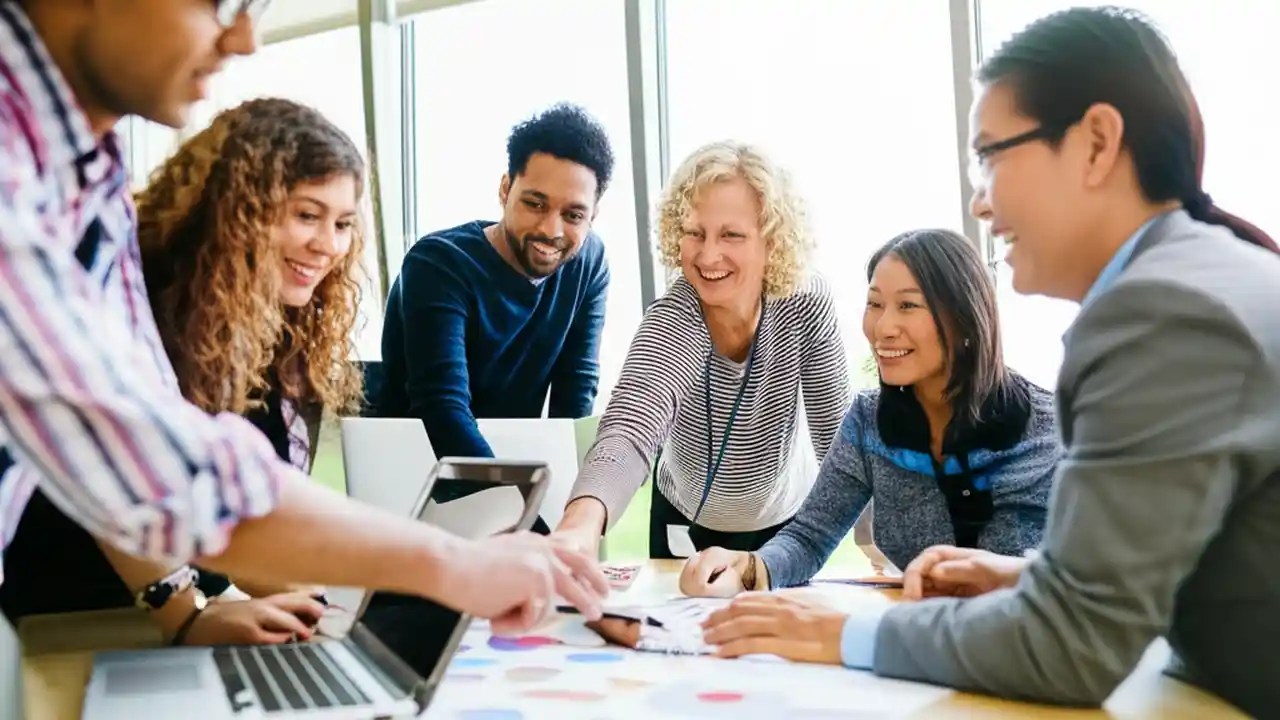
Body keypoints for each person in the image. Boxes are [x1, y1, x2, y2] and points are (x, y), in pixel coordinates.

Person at [698, 7, 1280, 716]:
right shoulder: (1205, 278)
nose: (980, 200)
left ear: (1096, 143)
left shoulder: (1160, 313)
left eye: (992, 156)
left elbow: (1072, 646)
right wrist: (1032, 576)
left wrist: (848, 632)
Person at [0, 0, 605, 637]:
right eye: (220, 4)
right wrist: (448, 564)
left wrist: (344, 600)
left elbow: (158, 455)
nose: (243, 39)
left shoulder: (86, 181)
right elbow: (145, 459)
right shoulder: (22, 181)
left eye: (342, 224)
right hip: (68, 613)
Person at [0, 97, 372, 645]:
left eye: (342, 223)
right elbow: (123, 471)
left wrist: (319, 605)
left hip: (157, 614)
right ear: (238, 208)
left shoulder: (279, 321)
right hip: (62, 611)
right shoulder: (144, 294)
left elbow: (246, 519)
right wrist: (184, 615)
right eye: (306, 215)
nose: (328, 246)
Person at [680, 229, 1060, 597]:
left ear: (965, 318)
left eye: (908, 305)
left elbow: (1096, 578)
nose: (883, 327)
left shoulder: (1054, 431)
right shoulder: (868, 420)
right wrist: (747, 569)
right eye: (875, 304)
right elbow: (810, 538)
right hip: (921, 645)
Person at [554, 140, 852, 559]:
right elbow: (628, 432)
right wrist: (578, 527)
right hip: (683, 520)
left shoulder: (804, 301)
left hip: (783, 520)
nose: (709, 254)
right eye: (695, 233)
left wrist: (878, 532)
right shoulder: (674, 317)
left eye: (731, 235)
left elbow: (836, 432)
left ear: (772, 242)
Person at [376, 103, 613, 472]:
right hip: (413, 470)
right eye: (535, 203)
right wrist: (525, 514)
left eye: (573, 215)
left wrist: (568, 508)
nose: (552, 230)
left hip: (509, 463)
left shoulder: (589, 263)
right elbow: (443, 409)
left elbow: (575, 395)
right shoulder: (437, 263)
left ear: (593, 216)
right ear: (505, 190)